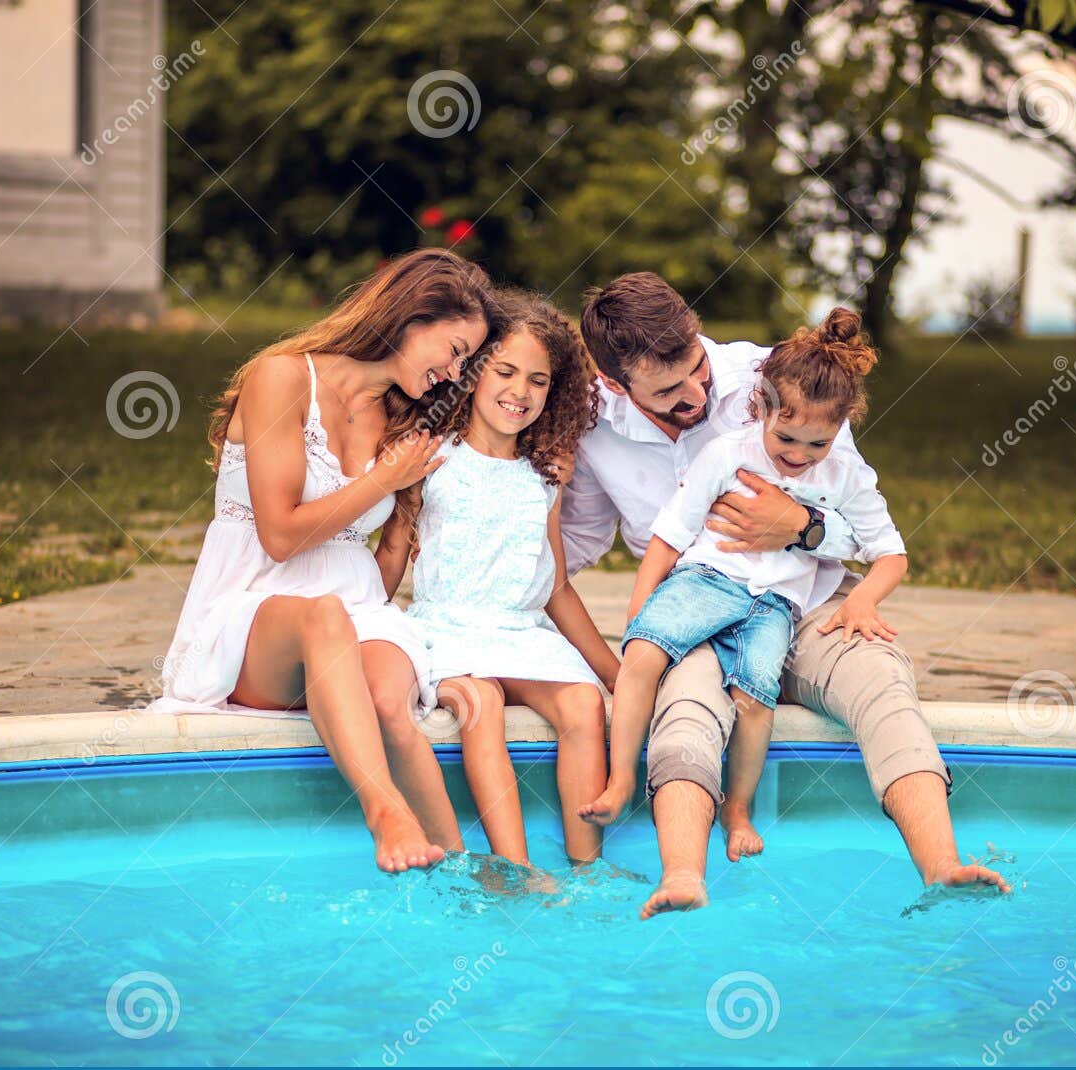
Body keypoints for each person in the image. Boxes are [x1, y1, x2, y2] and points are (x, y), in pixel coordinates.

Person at [564, 272, 1011, 919]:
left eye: (695, 368)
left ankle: (942, 865)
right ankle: (684, 875)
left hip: (809, 597)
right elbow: (573, 543)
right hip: (700, 607)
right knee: (687, 710)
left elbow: (861, 523)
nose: (696, 391)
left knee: (878, 678)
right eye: (668, 391)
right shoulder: (597, 429)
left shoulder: (781, 378)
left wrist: (802, 527)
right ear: (616, 384)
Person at [154, 249, 499, 874]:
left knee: (393, 703)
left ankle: (466, 875)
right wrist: (384, 481)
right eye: (452, 349)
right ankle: (385, 814)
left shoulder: (403, 416)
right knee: (325, 618)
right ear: (410, 316)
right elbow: (281, 536)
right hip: (255, 618)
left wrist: (404, 523)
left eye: (466, 362)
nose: (454, 373)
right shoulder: (281, 378)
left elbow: (370, 574)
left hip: (355, 612)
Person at [605, 307, 906, 864]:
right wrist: (640, 610)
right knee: (642, 651)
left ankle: (737, 808)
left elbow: (890, 552)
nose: (797, 457)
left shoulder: (843, 476)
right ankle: (620, 776)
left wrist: (863, 597)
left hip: (776, 605)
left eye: (816, 445)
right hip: (708, 579)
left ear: (840, 428)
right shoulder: (727, 454)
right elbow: (669, 535)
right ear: (760, 409)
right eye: (786, 438)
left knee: (754, 699)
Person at [380, 289, 619, 867]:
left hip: (522, 633)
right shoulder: (432, 456)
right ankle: (515, 869)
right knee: (480, 705)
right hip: (450, 632)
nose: (520, 391)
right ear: (472, 373)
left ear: (554, 391)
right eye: (505, 371)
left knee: (585, 704)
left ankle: (588, 869)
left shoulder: (544, 474)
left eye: (538, 380)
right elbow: (391, 552)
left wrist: (618, 675)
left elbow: (555, 585)